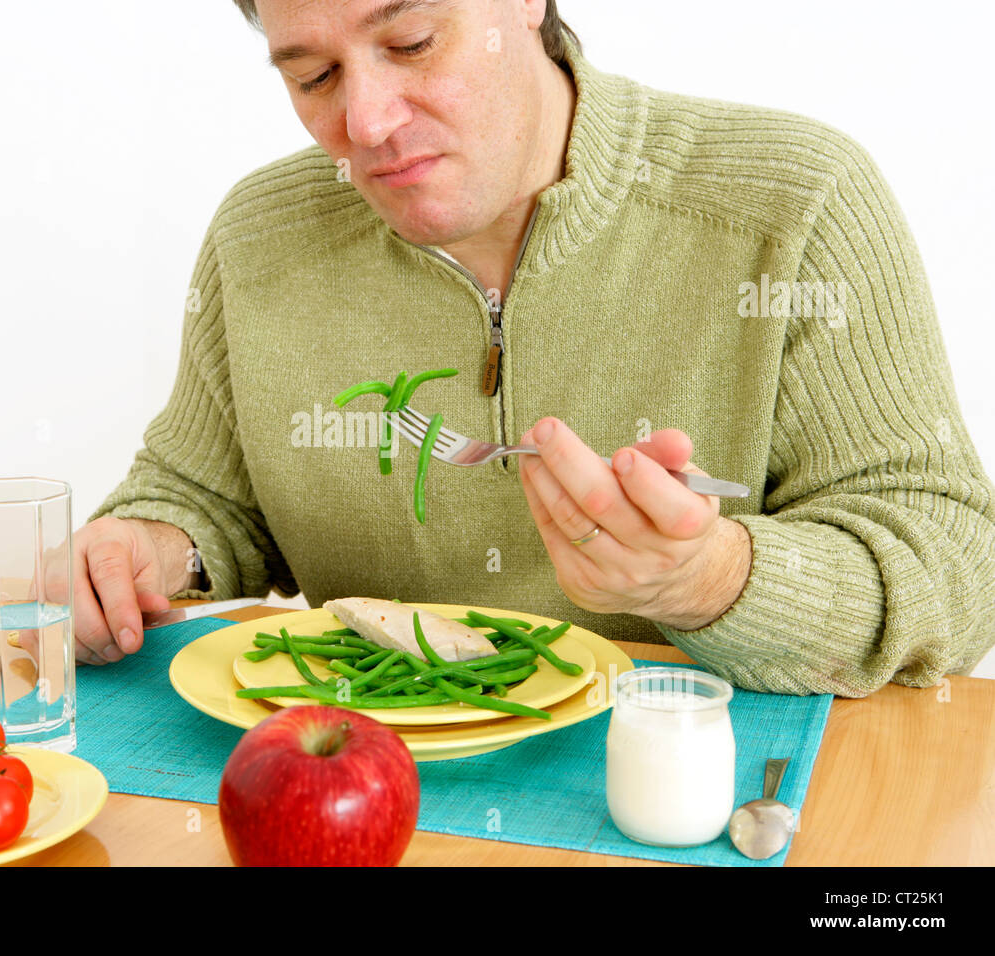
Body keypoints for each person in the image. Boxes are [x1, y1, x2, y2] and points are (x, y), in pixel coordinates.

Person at [72, 0, 995, 696]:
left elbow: (959, 566)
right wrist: (153, 549)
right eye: (313, 76)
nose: (368, 124)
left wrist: (714, 579)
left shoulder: (793, 207)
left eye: (411, 43)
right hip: (371, 792)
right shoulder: (260, 235)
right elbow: (206, 498)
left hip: (696, 805)